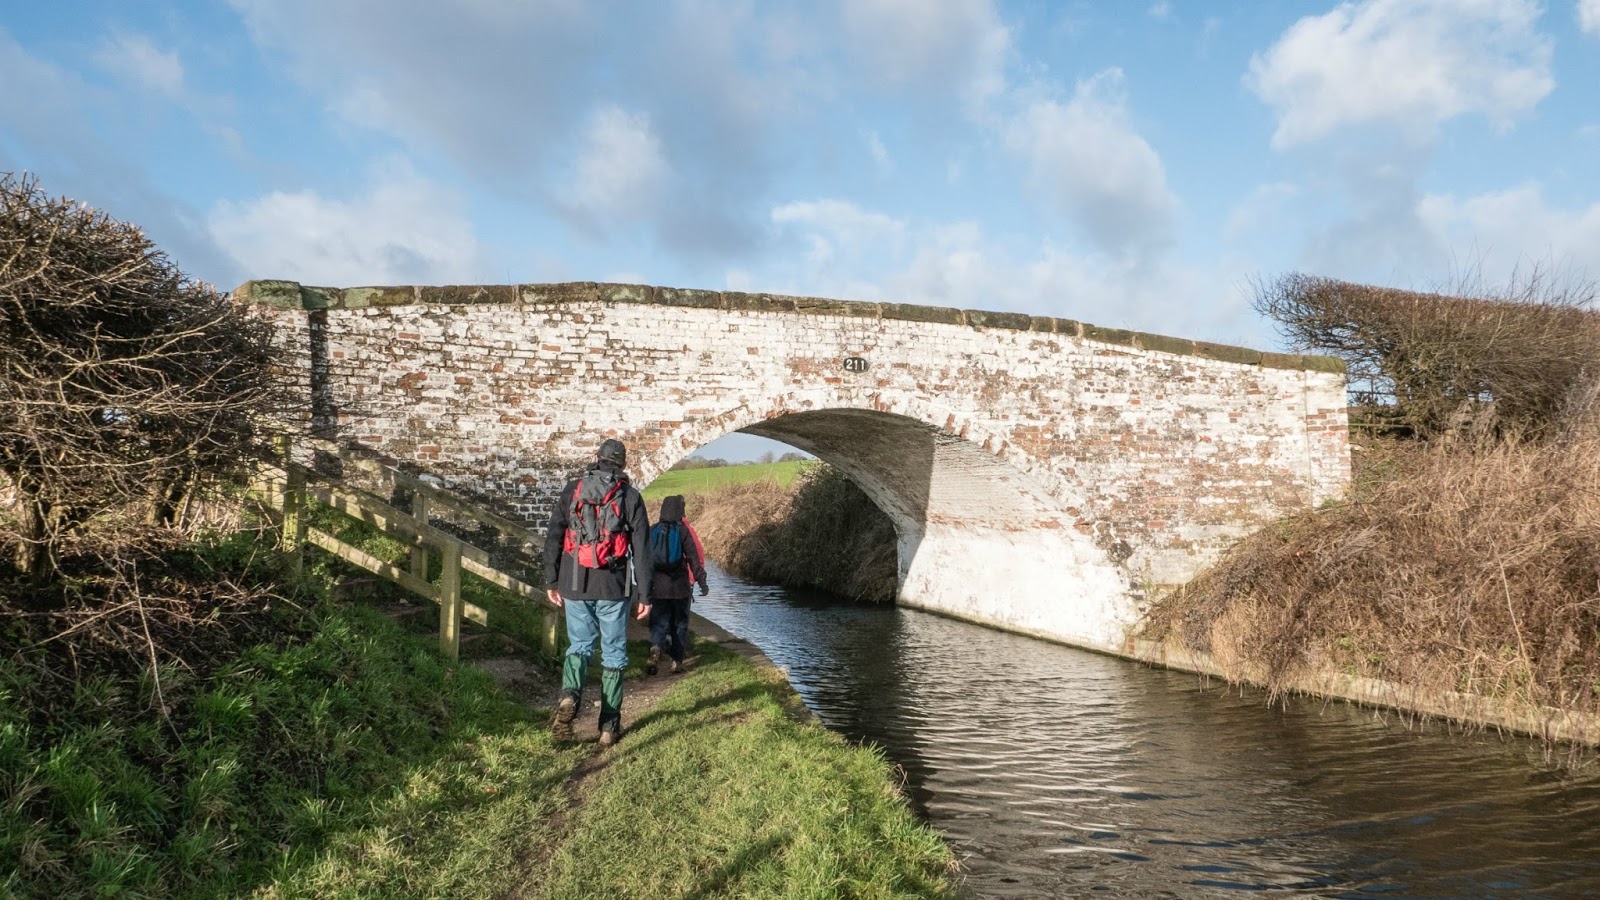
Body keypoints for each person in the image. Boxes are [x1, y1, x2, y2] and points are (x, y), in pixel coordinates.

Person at [543, 438, 650, 747]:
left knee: (579, 645)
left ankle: (569, 698)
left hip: (574, 581)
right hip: (613, 585)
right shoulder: (630, 497)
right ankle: (608, 726)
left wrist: (552, 581)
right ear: (623, 464)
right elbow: (641, 550)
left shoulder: (572, 490)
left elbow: (554, 536)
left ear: (596, 458)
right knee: (614, 652)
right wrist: (645, 595)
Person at [645, 494, 708, 676]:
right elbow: (693, 558)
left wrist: (644, 586)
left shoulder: (653, 530)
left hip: (658, 587)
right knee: (679, 624)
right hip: (680, 587)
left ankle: (656, 647)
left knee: (658, 622)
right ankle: (677, 661)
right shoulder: (682, 531)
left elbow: (644, 560)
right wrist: (701, 581)